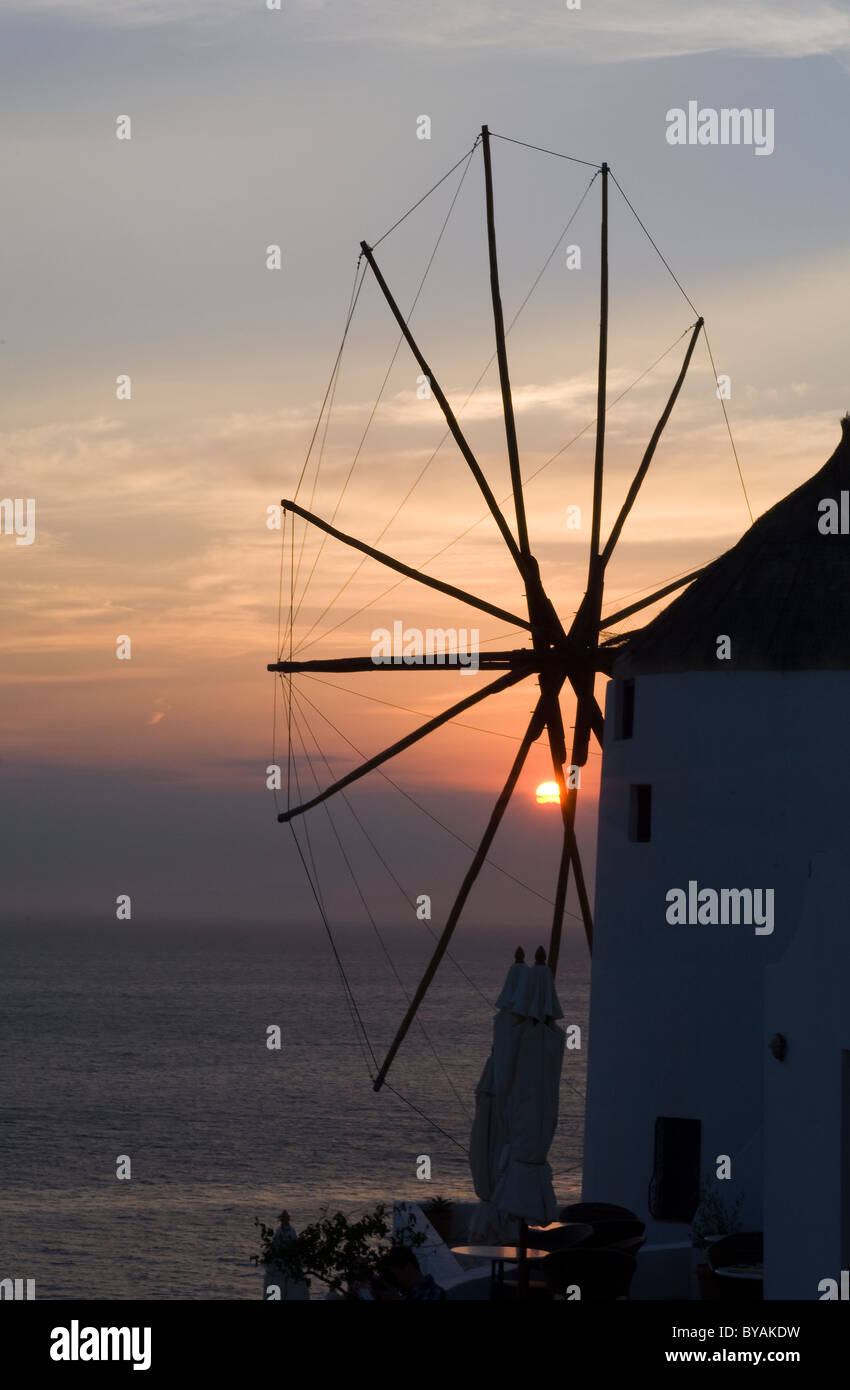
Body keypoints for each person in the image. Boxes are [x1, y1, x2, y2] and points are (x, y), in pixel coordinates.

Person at [381, 1246, 446, 1300]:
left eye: (396, 1274)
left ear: (409, 1268)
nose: (397, 1281)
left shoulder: (431, 1292)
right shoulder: (422, 1293)